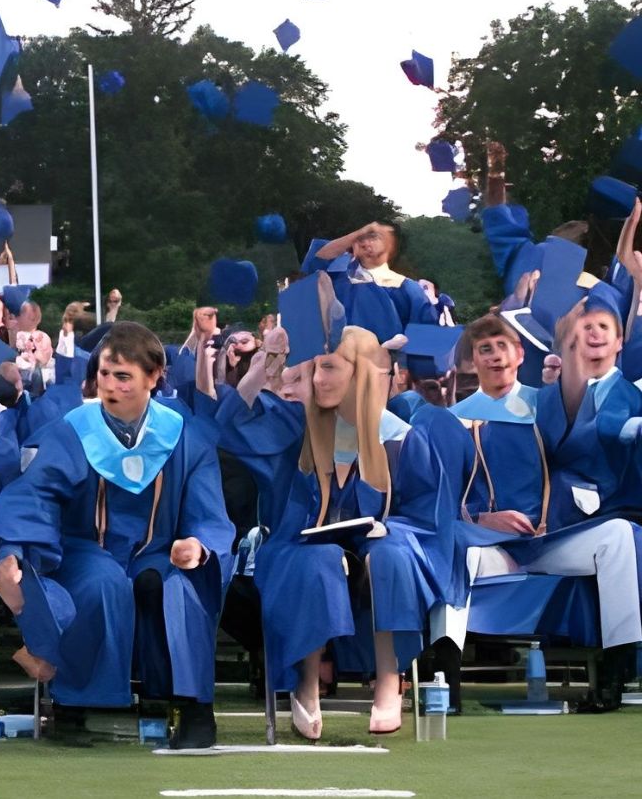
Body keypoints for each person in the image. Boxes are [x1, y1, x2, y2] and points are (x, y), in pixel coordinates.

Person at [0, 322, 232, 750]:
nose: (111, 385)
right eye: (104, 374)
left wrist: (197, 544)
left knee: (173, 585)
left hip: (158, 552)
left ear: (154, 377)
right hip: (86, 551)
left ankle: (193, 707)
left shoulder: (182, 436)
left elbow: (208, 511)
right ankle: (76, 704)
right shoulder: (74, 429)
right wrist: (13, 549)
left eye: (123, 376)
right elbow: (34, 495)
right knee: (103, 583)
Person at [418, 313, 642, 714]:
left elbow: (581, 441)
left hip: (545, 540)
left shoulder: (543, 405)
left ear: (520, 353)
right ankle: (447, 677)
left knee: (619, 536)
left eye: (502, 346)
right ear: (472, 360)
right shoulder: (454, 419)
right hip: (489, 546)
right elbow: (440, 496)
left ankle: (615, 671)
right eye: (484, 349)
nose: (495, 356)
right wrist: (482, 520)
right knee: (458, 548)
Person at [249, 323, 442, 737]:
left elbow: (427, 517)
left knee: (392, 554)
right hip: (300, 547)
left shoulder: (400, 440)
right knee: (319, 558)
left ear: (362, 373)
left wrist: (392, 530)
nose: (319, 380)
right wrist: (267, 361)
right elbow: (235, 426)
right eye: (316, 368)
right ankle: (307, 679)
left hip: (380, 551)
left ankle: (389, 679)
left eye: (332, 368)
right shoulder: (297, 430)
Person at [304, 221, 439, 338]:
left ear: (392, 245)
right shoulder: (337, 278)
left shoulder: (409, 289)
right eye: (361, 237)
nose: (364, 241)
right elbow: (318, 260)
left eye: (374, 237)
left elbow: (424, 334)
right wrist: (359, 233)